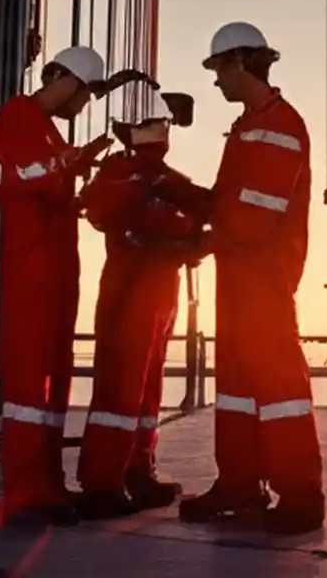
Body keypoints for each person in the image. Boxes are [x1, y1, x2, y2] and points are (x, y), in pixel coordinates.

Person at [171, 21, 325, 535]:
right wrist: (189, 202)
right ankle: (239, 483)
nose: (215, 82)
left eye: (218, 70)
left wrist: (202, 238)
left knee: (278, 382)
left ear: (240, 63)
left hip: (262, 272)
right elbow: (229, 199)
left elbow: (257, 212)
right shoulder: (249, 125)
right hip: (239, 271)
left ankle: (301, 495)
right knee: (236, 382)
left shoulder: (279, 126)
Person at [0, 46, 144, 525]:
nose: (83, 106)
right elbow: (30, 177)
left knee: (53, 386)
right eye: (85, 95)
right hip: (30, 273)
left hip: (55, 272)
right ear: (68, 81)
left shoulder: (50, 132)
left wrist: (82, 164)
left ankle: (49, 485)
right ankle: (25, 491)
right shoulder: (17, 116)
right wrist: (78, 161)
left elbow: (53, 183)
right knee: (30, 388)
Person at [74, 94, 207, 520]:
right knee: (119, 385)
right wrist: (167, 217)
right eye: (156, 123)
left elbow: (194, 217)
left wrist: (182, 230)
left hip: (158, 291)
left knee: (146, 388)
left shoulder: (164, 178)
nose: (164, 132)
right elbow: (98, 207)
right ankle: (102, 481)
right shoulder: (121, 174)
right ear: (133, 129)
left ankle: (137, 471)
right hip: (129, 291)